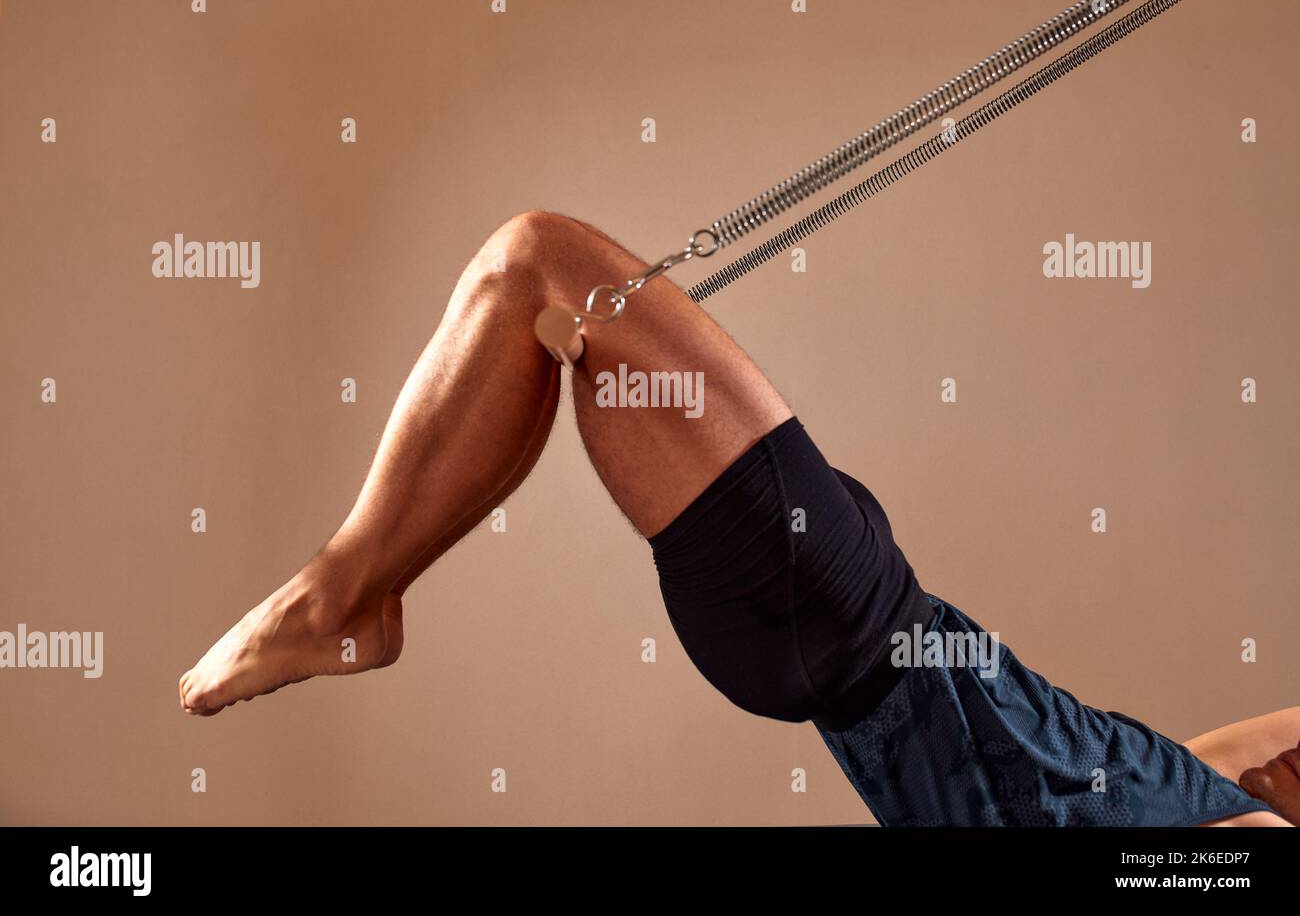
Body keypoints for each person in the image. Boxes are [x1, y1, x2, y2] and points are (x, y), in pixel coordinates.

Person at [177, 210, 1298, 827]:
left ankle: (341, 596)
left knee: (536, 266)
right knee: (558, 321)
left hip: (848, 624)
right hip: (846, 625)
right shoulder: (1183, 791)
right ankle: (354, 594)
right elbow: (1234, 751)